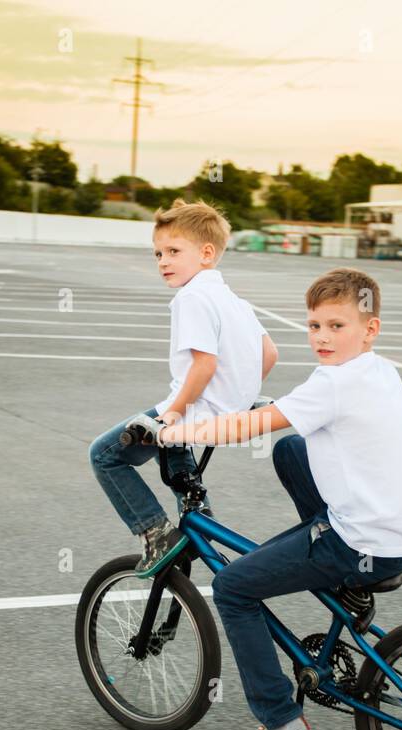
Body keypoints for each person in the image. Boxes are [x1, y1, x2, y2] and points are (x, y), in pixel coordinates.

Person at [158, 267, 402, 730]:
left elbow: (247, 426)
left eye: (337, 326)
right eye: (313, 327)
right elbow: (290, 418)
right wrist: (271, 409)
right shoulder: (378, 370)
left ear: (369, 330)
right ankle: (344, 584)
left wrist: (175, 431)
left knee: (234, 587)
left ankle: (280, 720)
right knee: (291, 449)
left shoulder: (331, 384)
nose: (322, 338)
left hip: (362, 541)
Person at [89, 198, 278, 577]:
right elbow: (269, 354)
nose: (163, 261)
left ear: (207, 253)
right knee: (167, 443)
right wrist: (239, 395)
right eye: (158, 253)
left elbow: (204, 365)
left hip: (198, 413)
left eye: (174, 251)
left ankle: (155, 533)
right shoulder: (234, 300)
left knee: (105, 455)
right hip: (231, 414)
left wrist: (175, 412)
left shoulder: (191, 297)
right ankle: (197, 509)